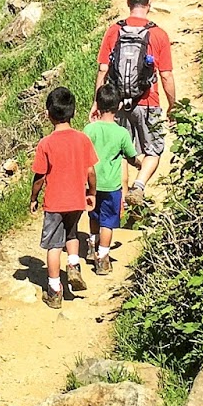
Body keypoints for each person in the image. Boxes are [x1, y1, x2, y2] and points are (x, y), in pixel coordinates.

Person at [96, 0, 175, 200]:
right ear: (149, 4)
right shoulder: (159, 34)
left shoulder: (114, 31)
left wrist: (98, 102)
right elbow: (166, 75)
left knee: (119, 153)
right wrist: (172, 105)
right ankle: (138, 186)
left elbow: (103, 69)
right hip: (148, 102)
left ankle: (119, 199)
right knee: (153, 151)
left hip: (117, 102)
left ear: (128, 3)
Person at [29, 85, 98, 309]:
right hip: (76, 200)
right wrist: (91, 192)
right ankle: (74, 265)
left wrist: (33, 198)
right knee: (72, 234)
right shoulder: (82, 139)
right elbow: (90, 171)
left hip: (55, 203)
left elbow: (39, 177)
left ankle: (54, 289)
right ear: (74, 112)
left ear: (48, 114)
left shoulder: (45, 144)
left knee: (53, 246)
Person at [83, 83, 138, 275]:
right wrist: (138, 164)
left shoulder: (89, 130)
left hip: (91, 185)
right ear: (119, 106)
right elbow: (131, 156)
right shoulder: (122, 133)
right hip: (112, 187)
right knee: (108, 222)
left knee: (94, 216)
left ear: (97, 105)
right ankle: (103, 257)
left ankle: (91, 244)